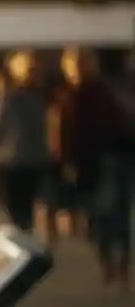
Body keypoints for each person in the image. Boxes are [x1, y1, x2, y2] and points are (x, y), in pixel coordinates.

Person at [52, 46, 135, 289]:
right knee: (109, 216)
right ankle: (113, 264)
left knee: (112, 215)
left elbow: (67, 133)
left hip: (108, 160)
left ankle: (115, 264)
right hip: (100, 162)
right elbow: (65, 135)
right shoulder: (77, 95)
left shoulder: (90, 94)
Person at [0, 50, 52, 233]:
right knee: (20, 211)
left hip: (30, 161)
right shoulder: (11, 98)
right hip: (16, 161)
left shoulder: (43, 98)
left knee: (27, 210)